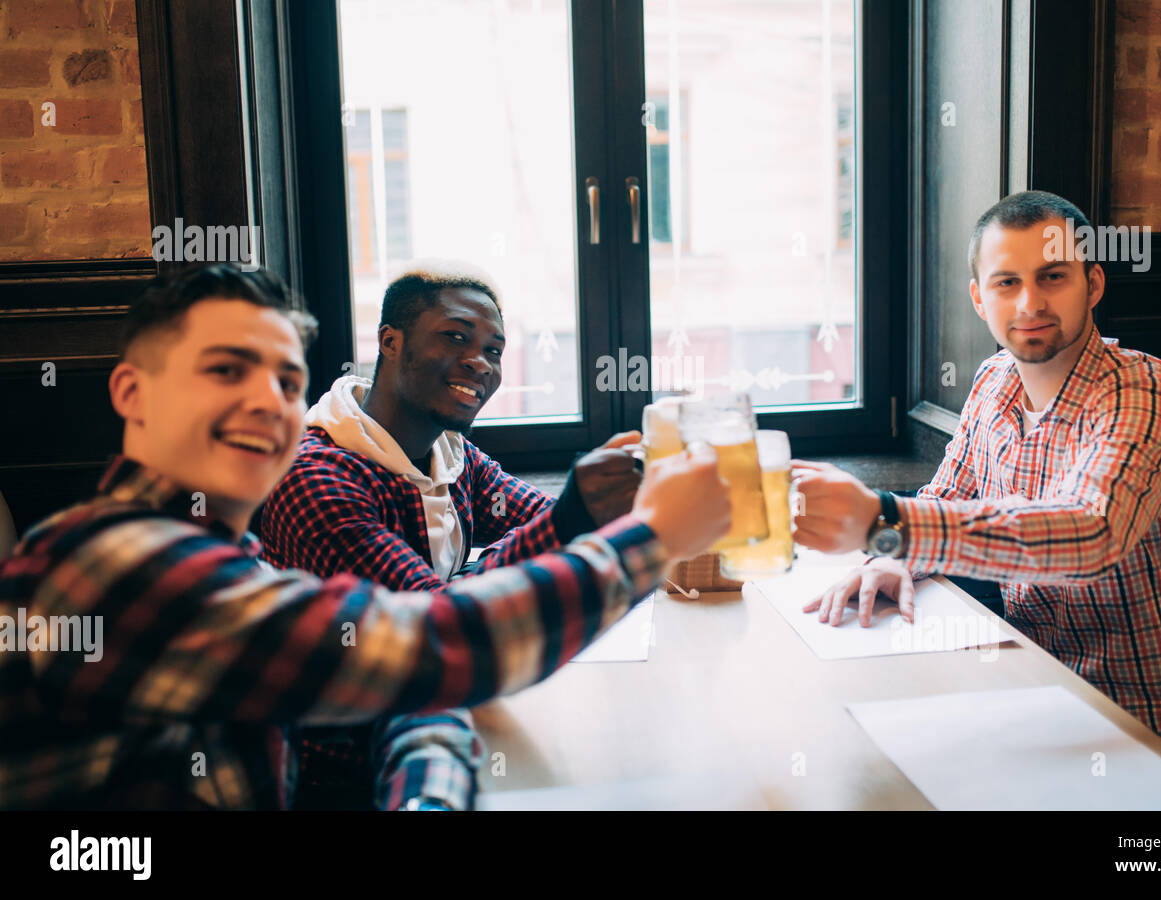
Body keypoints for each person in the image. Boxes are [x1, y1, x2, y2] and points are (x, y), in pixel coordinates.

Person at [0, 264, 730, 809]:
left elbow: (414, 681)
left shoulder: (223, 553)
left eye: (287, 381)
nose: (266, 401)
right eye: (227, 370)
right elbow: (438, 640)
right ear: (132, 393)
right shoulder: (113, 564)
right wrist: (653, 537)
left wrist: (428, 795)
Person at [794, 190, 1161, 790]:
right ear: (980, 298)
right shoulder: (993, 382)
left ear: (1093, 283)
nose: (1030, 303)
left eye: (1053, 277)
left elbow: (1090, 534)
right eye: (1007, 282)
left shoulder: (1145, 392)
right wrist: (893, 555)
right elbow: (948, 498)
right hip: (1045, 712)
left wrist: (890, 522)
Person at [257, 265, 644, 806]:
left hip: (436, 713)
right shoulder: (319, 479)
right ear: (390, 342)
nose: (480, 363)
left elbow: (530, 513)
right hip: (350, 771)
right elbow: (437, 626)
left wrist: (622, 508)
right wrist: (573, 519)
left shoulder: (448, 452)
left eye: (495, 350)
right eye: (456, 337)